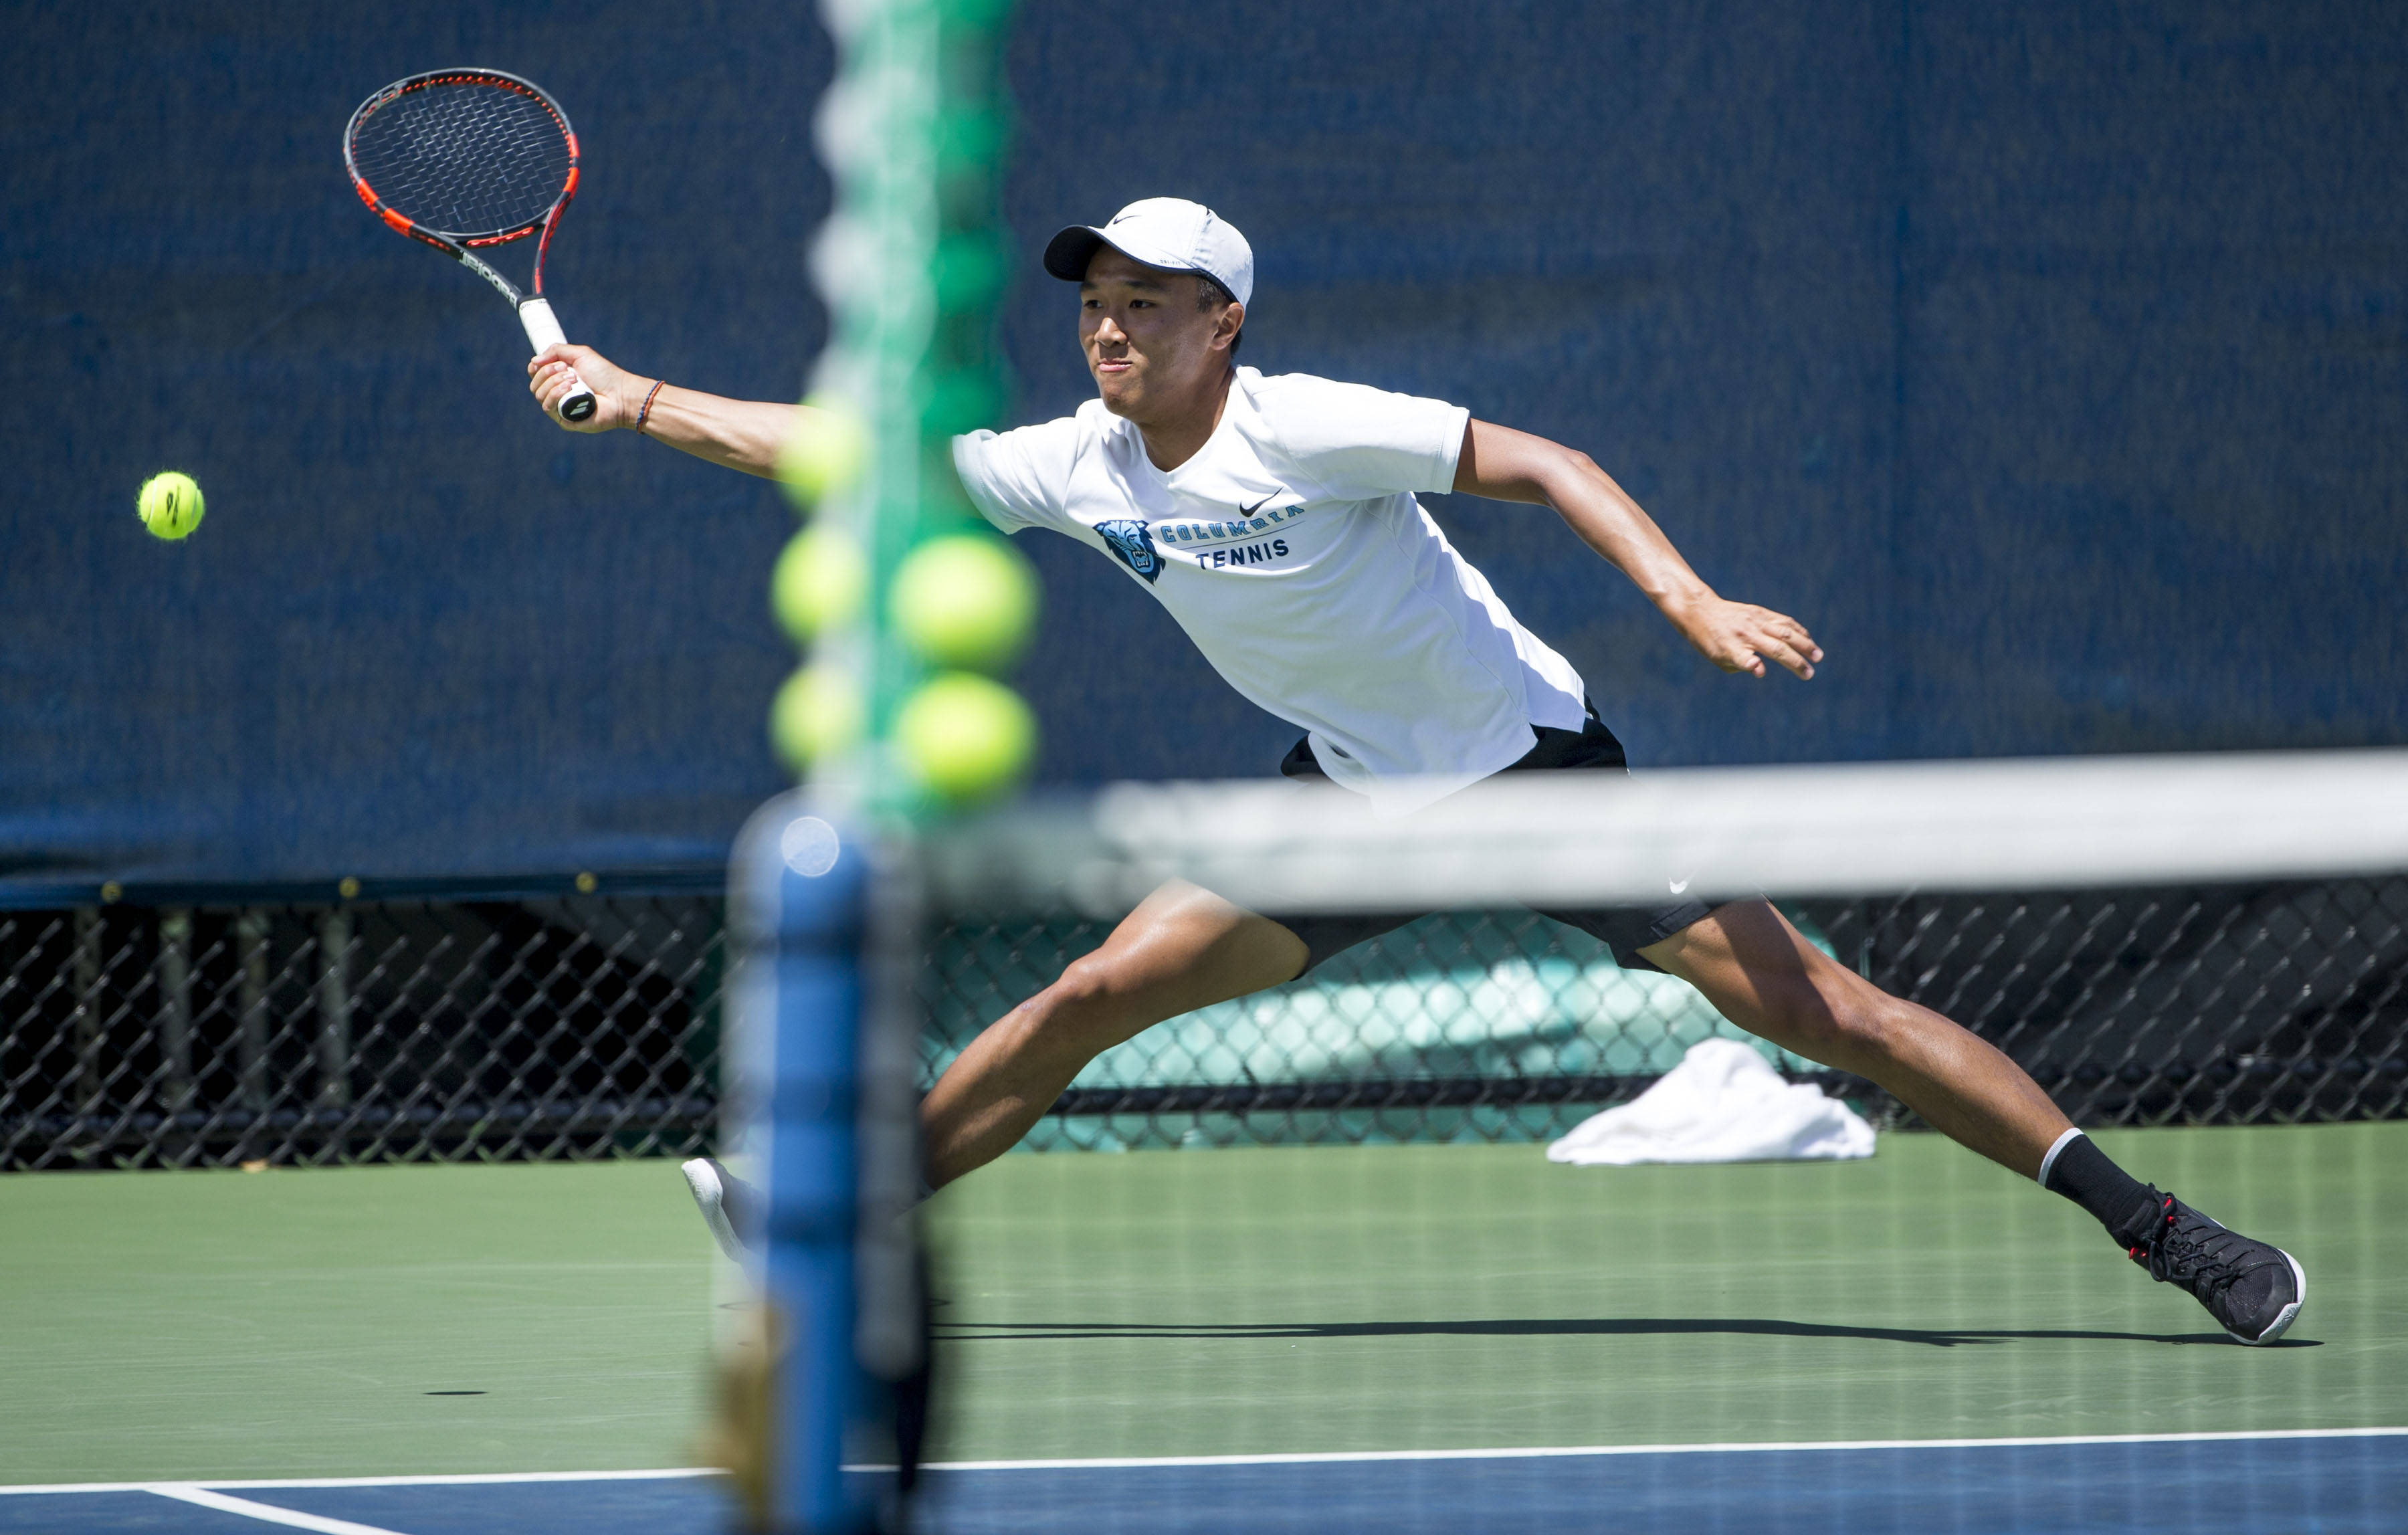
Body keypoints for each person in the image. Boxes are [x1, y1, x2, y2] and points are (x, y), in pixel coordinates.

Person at [534, 197, 2305, 1346]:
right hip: (1348, 797)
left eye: (1147, 304)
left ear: (1223, 322)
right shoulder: (1077, 460)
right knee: (1092, 993)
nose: (1108, 327)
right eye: (1095, 301)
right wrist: (641, 395)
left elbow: (1544, 456)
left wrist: (1683, 597)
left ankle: (2160, 1231)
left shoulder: (1305, 422)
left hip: (1530, 770)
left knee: (1829, 1012)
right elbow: (855, 458)